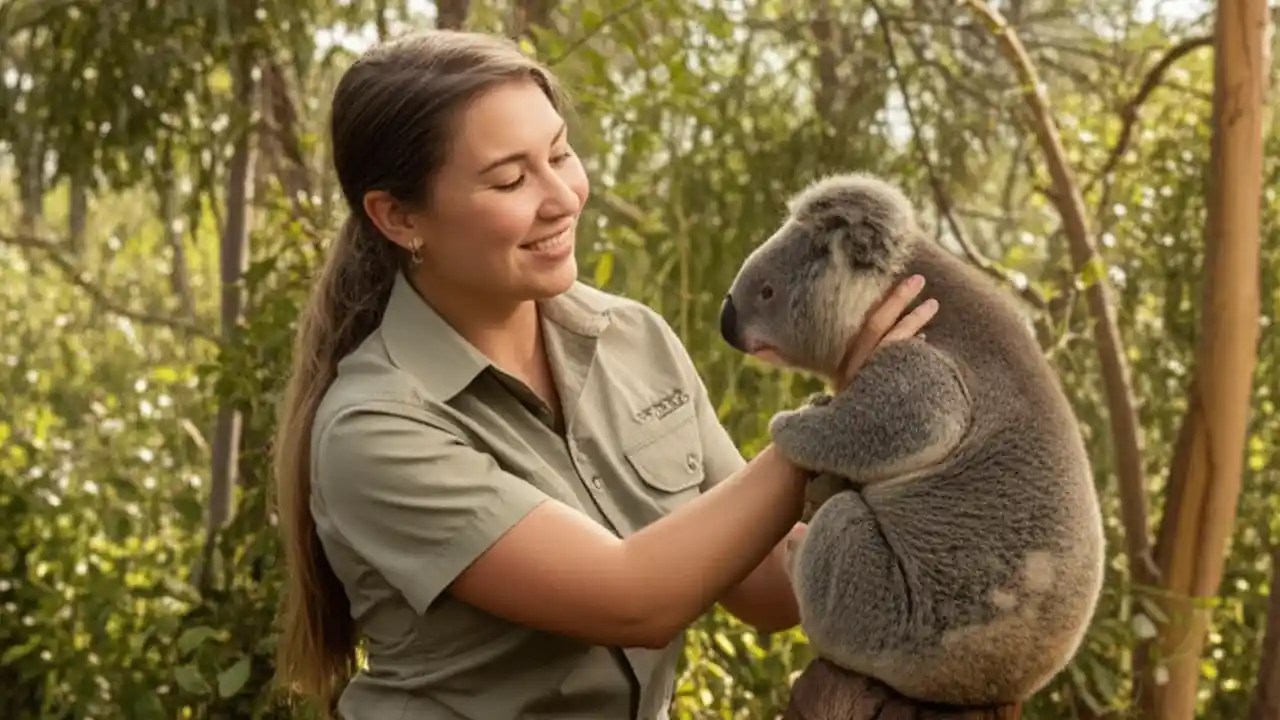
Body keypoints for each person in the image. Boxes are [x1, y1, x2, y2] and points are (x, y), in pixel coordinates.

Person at [271, 29, 937, 720]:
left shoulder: (630, 339)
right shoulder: (374, 429)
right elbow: (633, 600)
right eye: (509, 179)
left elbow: (767, 589)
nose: (561, 196)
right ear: (399, 217)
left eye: (560, 153)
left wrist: (931, 493)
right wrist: (843, 419)